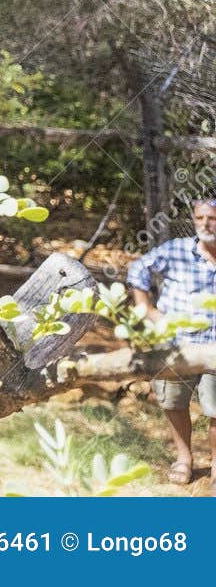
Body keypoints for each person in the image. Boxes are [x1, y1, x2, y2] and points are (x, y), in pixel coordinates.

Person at [128, 199, 216, 489]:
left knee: (215, 409)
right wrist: (147, 310)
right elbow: (138, 269)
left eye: (212, 218)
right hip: (176, 345)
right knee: (173, 402)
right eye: (200, 217)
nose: (205, 224)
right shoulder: (177, 250)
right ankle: (184, 457)